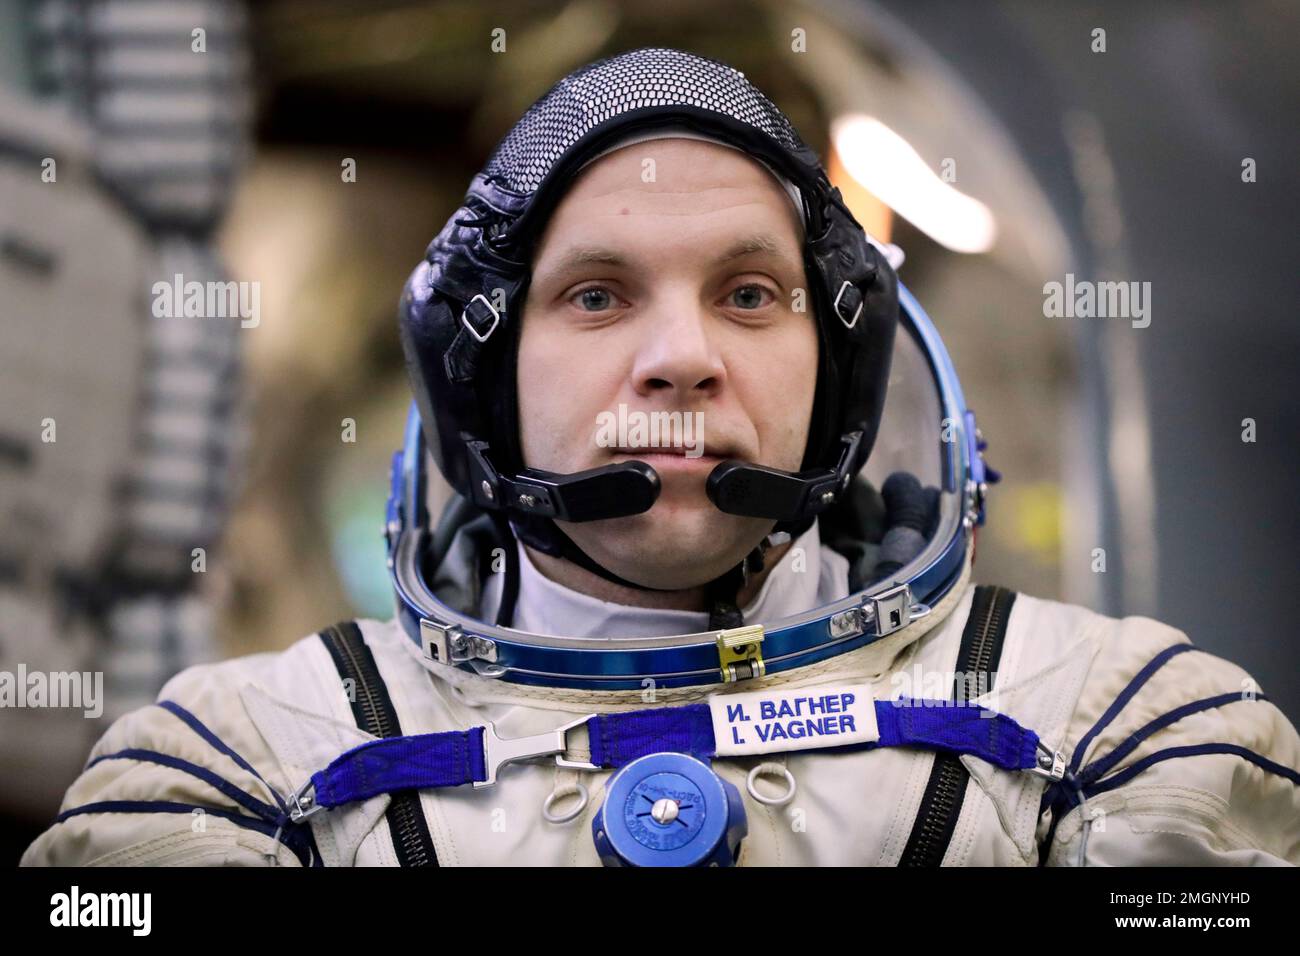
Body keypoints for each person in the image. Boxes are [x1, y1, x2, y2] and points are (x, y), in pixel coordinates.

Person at [23, 47, 1300, 867]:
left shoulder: (1116, 728)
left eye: (750, 294)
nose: (680, 357)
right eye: (595, 296)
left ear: (837, 370)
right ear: (481, 374)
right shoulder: (240, 766)